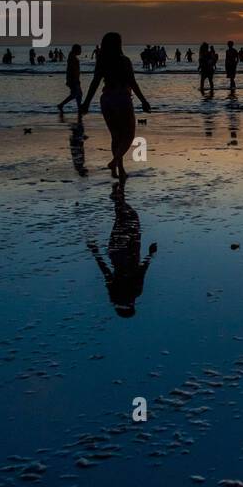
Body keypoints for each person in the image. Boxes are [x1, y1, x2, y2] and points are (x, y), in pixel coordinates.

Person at [80, 32, 151, 183]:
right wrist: (144, 101)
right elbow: (132, 82)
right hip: (122, 99)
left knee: (115, 136)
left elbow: (95, 82)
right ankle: (115, 161)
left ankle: (121, 169)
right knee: (129, 135)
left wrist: (86, 102)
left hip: (106, 100)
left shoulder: (102, 61)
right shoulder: (124, 61)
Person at [88, 189, 156, 317]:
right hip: (117, 253)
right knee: (122, 219)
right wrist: (95, 252)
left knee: (128, 218)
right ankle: (118, 197)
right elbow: (106, 272)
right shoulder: (118, 293)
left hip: (129, 251)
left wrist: (150, 255)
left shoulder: (135, 291)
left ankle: (118, 197)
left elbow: (142, 271)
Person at [58, 44, 84, 113]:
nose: (81, 51)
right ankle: (61, 105)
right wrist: (75, 80)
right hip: (73, 80)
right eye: (80, 50)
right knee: (76, 94)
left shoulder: (72, 56)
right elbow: (73, 70)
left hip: (73, 79)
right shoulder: (72, 57)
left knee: (77, 94)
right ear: (76, 50)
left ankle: (78, 107)